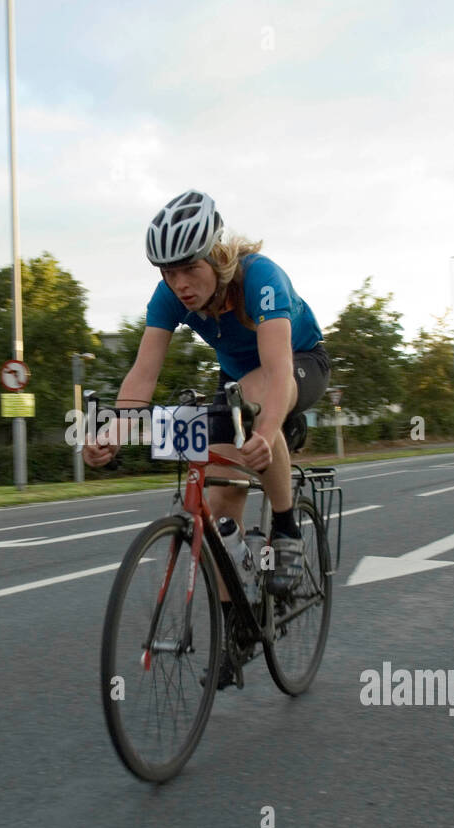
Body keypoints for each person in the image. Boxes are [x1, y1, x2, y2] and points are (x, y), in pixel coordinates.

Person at [83, 189, 330, 674]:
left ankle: (285, 529)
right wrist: (117, 427)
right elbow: (144, 373)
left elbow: (277, 374)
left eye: (188, 268)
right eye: (167, 272)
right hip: (238, 378)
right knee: (218, 512)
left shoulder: (262, 278)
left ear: (216, 254)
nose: (179, 283)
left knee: (258, 401)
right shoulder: (169, 297)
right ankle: (233, 624)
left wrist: (269, 425)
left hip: (296, 365)